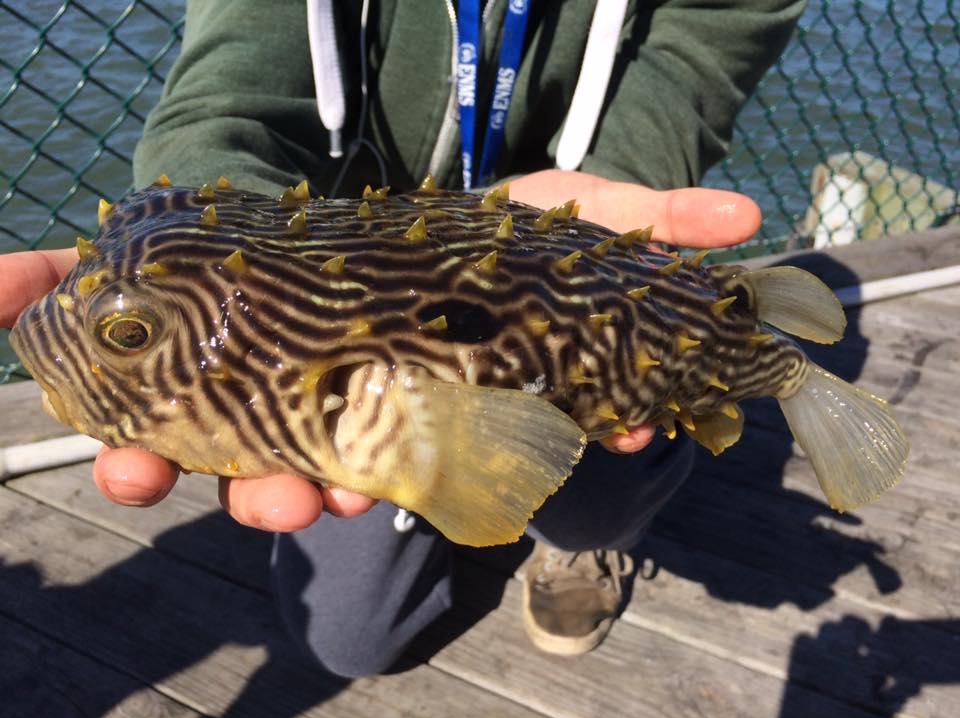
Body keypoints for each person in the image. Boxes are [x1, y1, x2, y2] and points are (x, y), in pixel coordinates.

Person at [0, 0, 803, 677]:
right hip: (350, 237)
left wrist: (600, 226)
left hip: (578, 273)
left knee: (598, 494)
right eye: (130, 331)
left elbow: (714, 28)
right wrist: (205, 228)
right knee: (354, 635)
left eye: (133, 335)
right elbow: (228, 92)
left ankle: (594, 537)